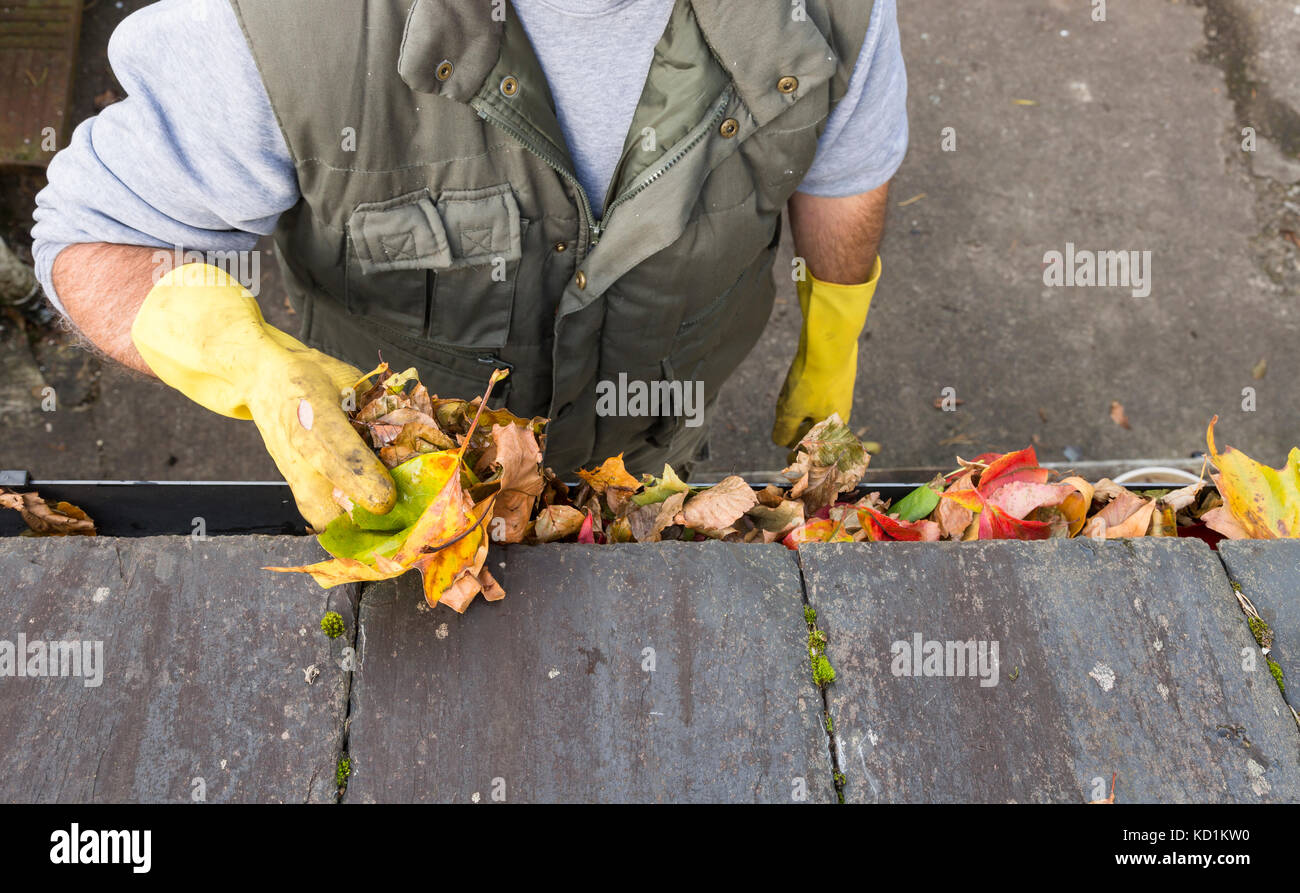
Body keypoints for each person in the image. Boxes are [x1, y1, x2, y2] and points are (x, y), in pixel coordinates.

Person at [32, 0, 908, 530]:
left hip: (652, 458)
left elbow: (843, 173)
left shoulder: (832, 14)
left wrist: (834, 337)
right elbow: (95, 233)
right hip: (396, 494)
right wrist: (244, 360)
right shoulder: (283, 30)